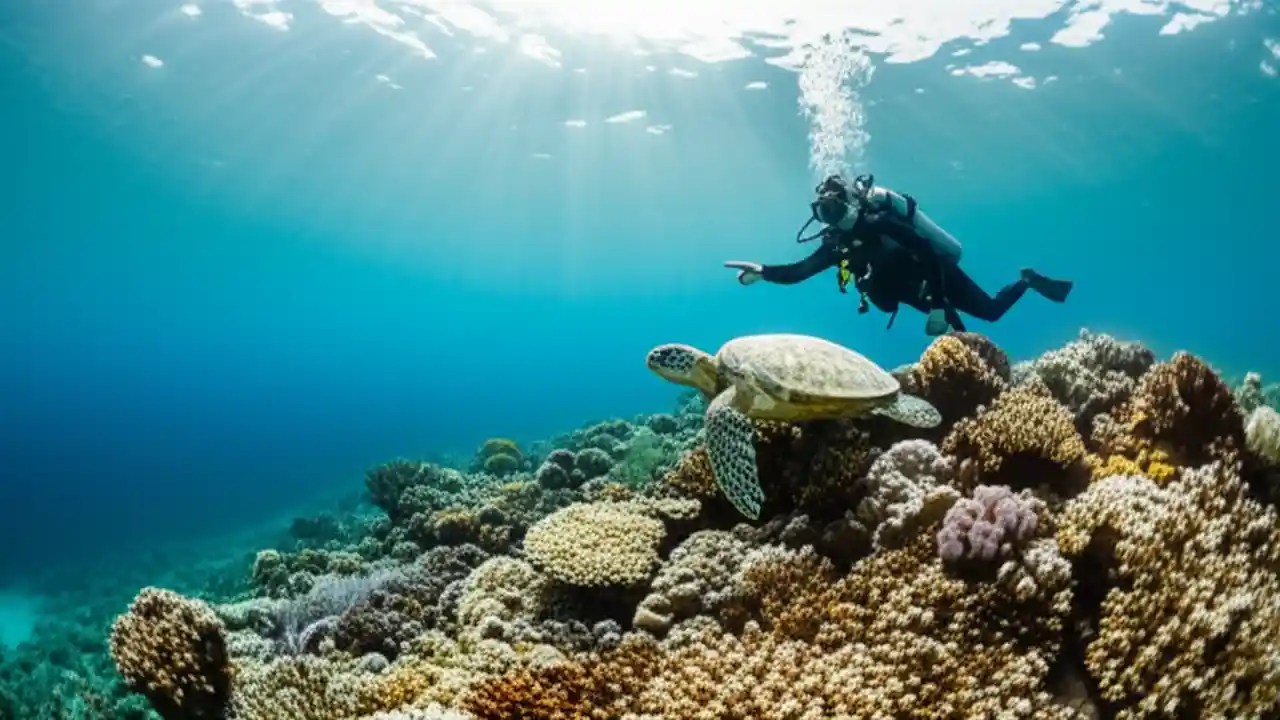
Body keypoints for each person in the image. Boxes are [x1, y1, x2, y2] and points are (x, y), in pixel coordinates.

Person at [724, 173, 1073, 336]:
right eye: (822, 212)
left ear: (847, 202)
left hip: (936, 277)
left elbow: (927, 252)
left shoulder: (878, 221)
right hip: (910, 293)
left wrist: (937, 303)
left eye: (832, 209)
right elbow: (800, 271)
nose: (828, 219)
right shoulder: (836, 245)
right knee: (960, 337)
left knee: (991, 314)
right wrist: (764, 271)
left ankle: (1027, 280)